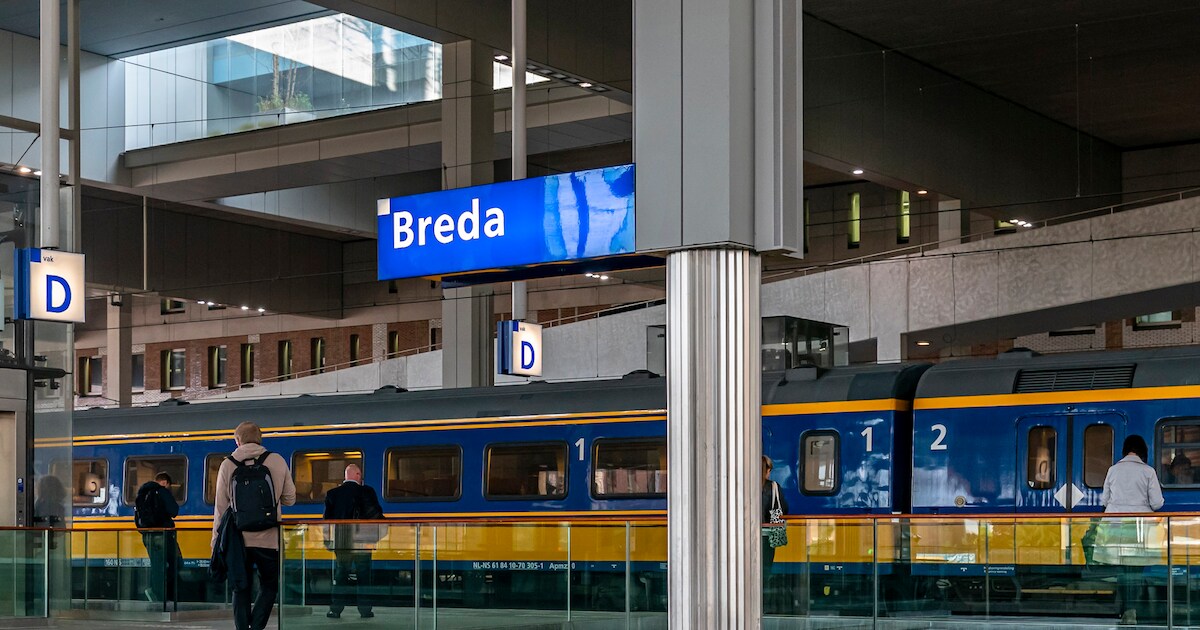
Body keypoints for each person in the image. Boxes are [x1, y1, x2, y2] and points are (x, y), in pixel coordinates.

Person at [211, 421, 296, 630]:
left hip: (238, 540)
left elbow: (221, 509)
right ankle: (256, 627)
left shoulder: (228, 464)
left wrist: (216, 542)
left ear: (237, 440)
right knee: (269, 585)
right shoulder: (276, 460)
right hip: (269, 539)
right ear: (260, 439)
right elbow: (290, 499)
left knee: (241, 587)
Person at [1100, 435, 1164, 626]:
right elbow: (1157, 503)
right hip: (1138, 530)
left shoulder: (1113, 470)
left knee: (1122, 572)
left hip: (1114, 527)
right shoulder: (1148, 471)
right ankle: (1131, 612)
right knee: (1135, 572)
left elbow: (1104, 501)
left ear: (1125, 450)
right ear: (1142, 451)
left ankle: (1123, 611)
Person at [323, 464, 384, 619]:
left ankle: (335, 610)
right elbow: (376, 515)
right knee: (364, 577)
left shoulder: (333, 494)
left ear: (345, 476)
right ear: (357, 474)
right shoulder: (367, 492)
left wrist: (328, 541)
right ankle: (365, 611)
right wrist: (378, 536)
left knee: (341, 574)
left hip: (341, 543)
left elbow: (326, 521)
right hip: (363, 542)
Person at [136, 471, 182, 604]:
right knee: (176, 563)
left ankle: (157, 595)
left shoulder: (142, 493)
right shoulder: (162, 491)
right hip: (163, 534)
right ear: (165, 483)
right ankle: (161, 596)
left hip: (148, 535)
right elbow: (174, 511)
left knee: (157, 566)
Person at [761, 456, 789, 612]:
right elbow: (783, 509)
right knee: (764, 571)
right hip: (767, 537)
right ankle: (761, 605)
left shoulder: (744, 486)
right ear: (767, 470)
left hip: (744, 537)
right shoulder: (773, 487)